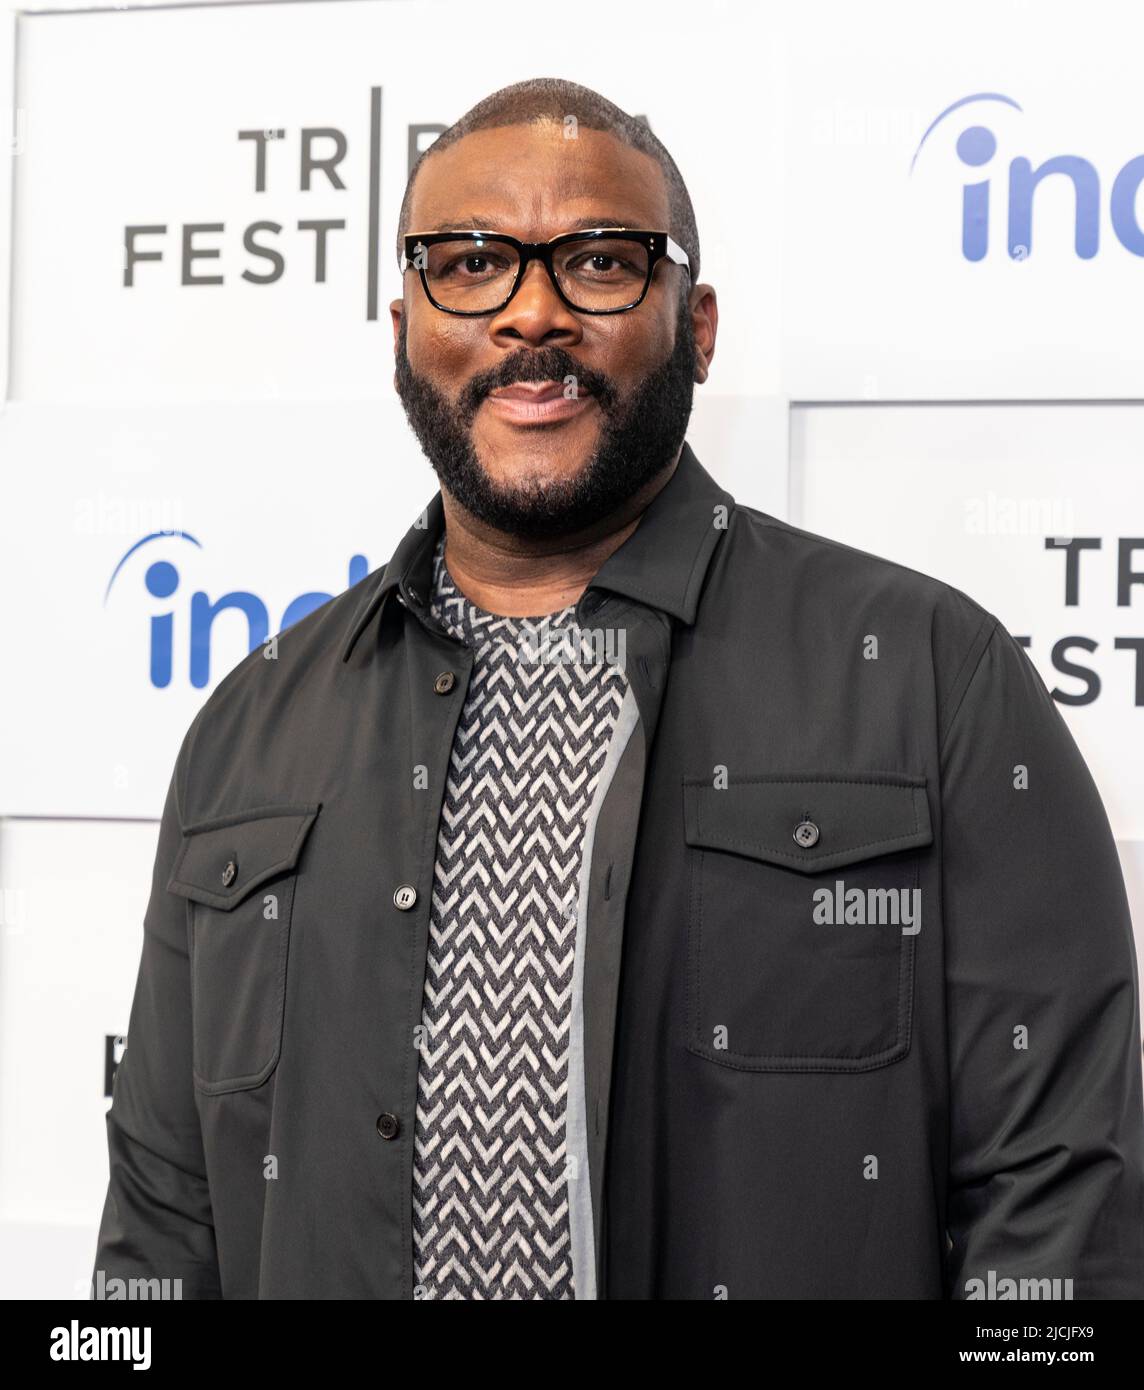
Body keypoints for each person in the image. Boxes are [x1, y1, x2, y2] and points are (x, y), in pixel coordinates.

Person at [93, 77, 1144, 1300]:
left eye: (598, 263)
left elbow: (1059, 1207)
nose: (530, 315)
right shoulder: (249, 728)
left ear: (694, 327)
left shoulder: (928, 676)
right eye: (470, 262)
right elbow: (162, 1226)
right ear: (402, 327)